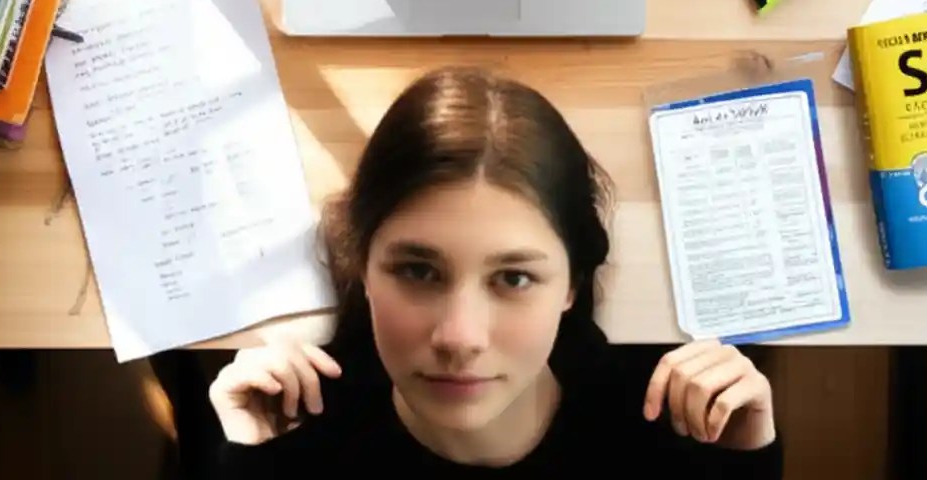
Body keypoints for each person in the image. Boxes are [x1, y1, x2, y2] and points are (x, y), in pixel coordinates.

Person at [210, 67, 783, 475]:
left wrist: (743, 460)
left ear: (572, 283)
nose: (460, 338)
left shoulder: (656, 438)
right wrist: (247, 459)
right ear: (362, 264)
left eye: (513, 278)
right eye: (418, 271)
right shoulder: (301, 441)